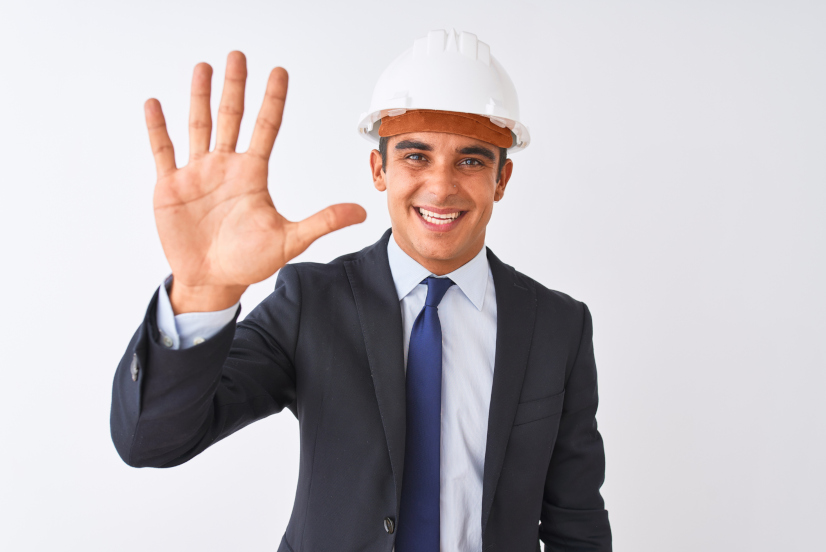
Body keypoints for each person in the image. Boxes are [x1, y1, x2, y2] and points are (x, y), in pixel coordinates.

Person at [110, 29, 612, 551]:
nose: (441, 187)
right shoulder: (312, 302)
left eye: (471, 160)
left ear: (501, 181)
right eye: (416, 156)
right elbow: (152, 440)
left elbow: (576, 519)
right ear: (380, 169)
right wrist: (202, 292)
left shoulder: (558, 326)